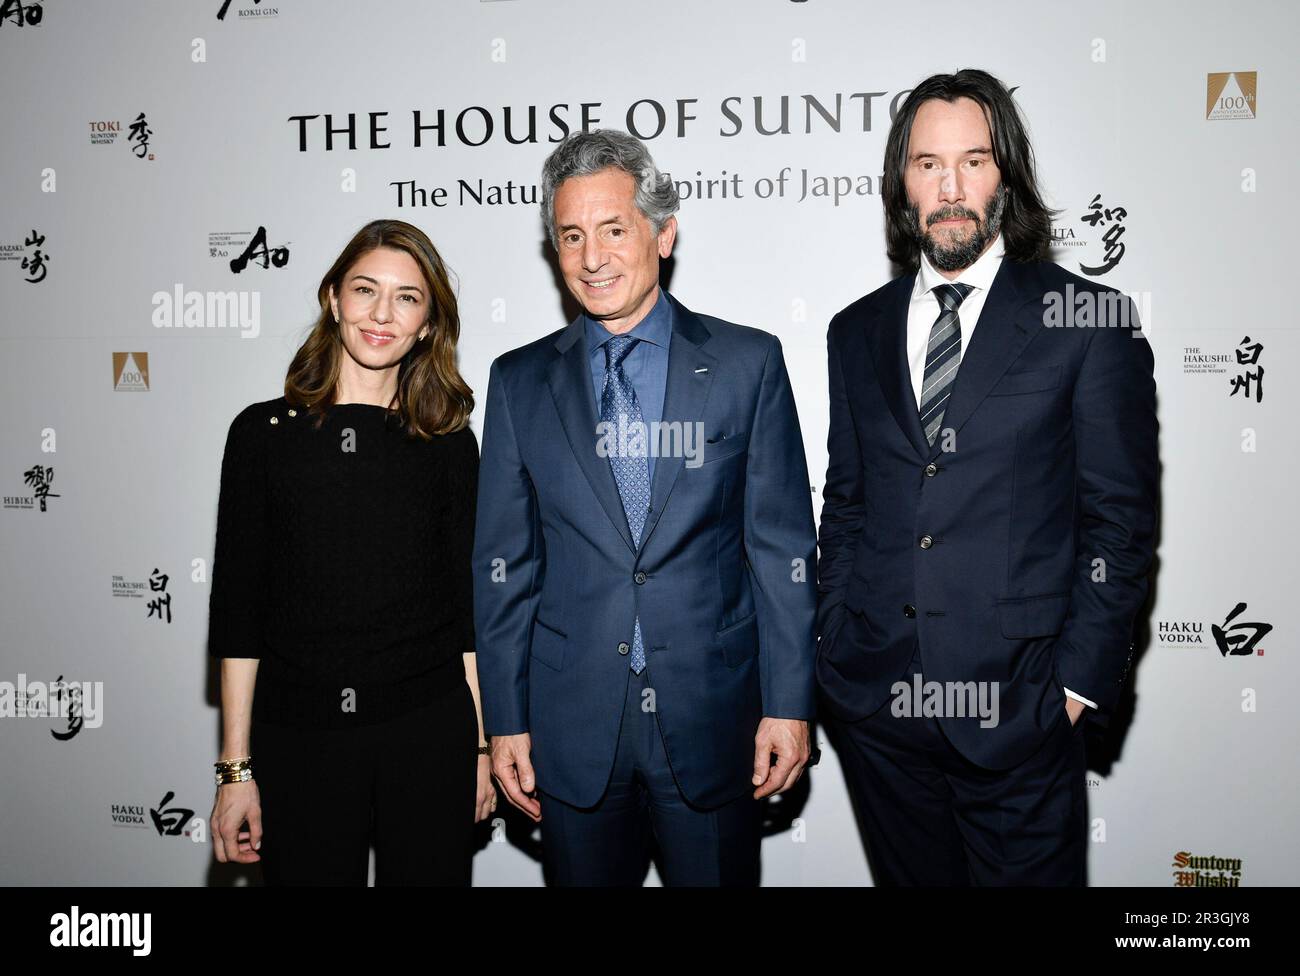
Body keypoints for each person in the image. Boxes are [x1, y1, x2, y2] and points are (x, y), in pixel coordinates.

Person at [816, 69, 1158, 885]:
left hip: (1022, 709)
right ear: (903, 183)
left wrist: (1077, 682)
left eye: (973, 161)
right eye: (928, 165)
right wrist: (830, 640)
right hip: (879, 710)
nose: (951, 187)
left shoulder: (1088, 320)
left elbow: (1121, 523)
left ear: (1006, 172)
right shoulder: (855, 329)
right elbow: (850, 502)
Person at [473, 129, 817, 886]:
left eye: (613, 229)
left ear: (663, 232)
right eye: (570, 236)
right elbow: (505, 570)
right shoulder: (518, 382)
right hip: (569, 724)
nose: (592, 257)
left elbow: (781, 552)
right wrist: (503, 719)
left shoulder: (746, 364)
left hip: (714, 713)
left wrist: (790, 703)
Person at [207, 219, 495, 886]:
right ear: (333, 298)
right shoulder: (262, 435)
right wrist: (236, 770)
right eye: (366, 290)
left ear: (428, 324)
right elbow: (238, 615)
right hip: (299, 735)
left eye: (407, 298)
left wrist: (479, 746)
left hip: (428, 732)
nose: (382, 314)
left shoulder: (447, 442)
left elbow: (469, 611)